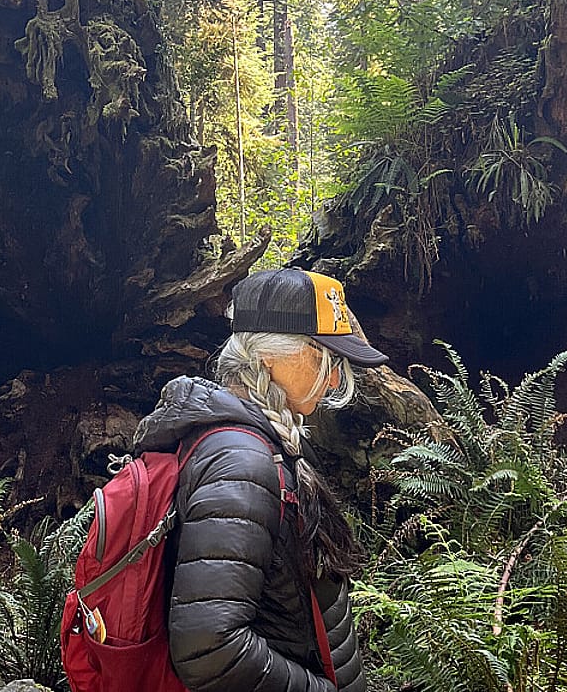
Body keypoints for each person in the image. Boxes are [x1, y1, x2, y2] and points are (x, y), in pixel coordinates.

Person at [132, 268, 388, 692]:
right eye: (325, 359)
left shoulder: (265, 441)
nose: (334, 380)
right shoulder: (241, 462)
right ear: (270, 356)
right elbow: (209, 649)